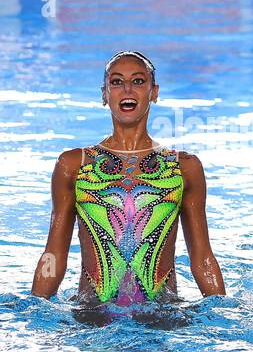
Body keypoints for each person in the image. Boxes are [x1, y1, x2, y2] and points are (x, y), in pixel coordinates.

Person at [31, 51, 225, 306]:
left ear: (154, 92)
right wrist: (36, 306)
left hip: (161, 315)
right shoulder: (74, 165)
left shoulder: (183, 167)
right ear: (104, 94)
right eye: (116, 82)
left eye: (138, 81)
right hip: (92, 314)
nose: (127, 90)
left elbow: (202, 258)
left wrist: (224, 310)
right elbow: (54, 253)